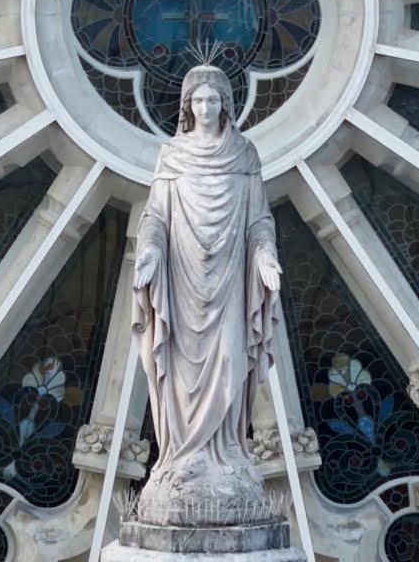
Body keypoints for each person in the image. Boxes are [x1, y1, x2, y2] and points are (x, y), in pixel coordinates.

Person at [132, 60, 283, 526]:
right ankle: (181, 456)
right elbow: (155, 216)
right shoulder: (171, 156)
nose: (204, 107)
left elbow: (259, 219)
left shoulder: (244, 155)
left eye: (212, 99)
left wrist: (266, 257)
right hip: (180, 279)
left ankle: (228, 454)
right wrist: (151, 253)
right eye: (196, 100)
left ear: (226, 104)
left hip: (229, 282)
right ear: (185, 106)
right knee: (179, 368)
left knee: (231, 363)